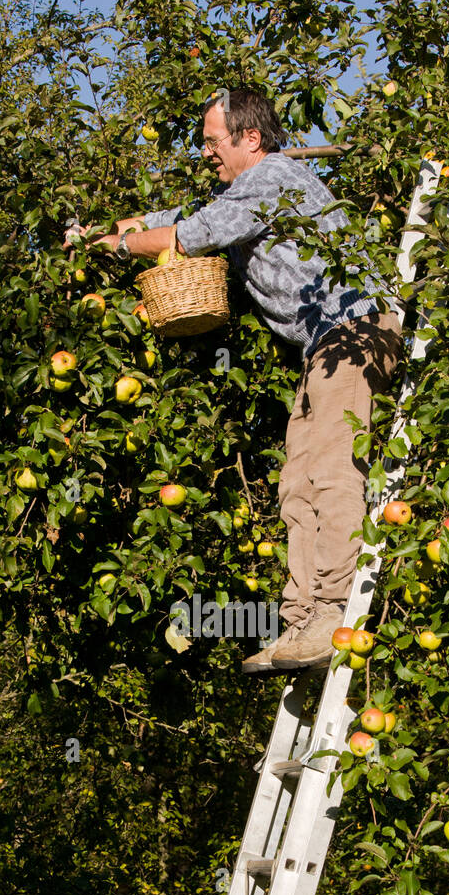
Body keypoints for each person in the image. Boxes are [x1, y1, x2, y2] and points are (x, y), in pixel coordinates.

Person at [70, 87, 403, 673]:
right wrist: (102, 233)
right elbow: (173, 219)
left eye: (211, 141)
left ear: (250, 138)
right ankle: (301, 621)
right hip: (321, 350)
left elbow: (186, 238)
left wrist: (123, 245)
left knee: (330, 470)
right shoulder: (244, 191)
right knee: (296, 487)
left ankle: (332, 613)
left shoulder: (273, 175)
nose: (204, 153)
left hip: (355, 331)